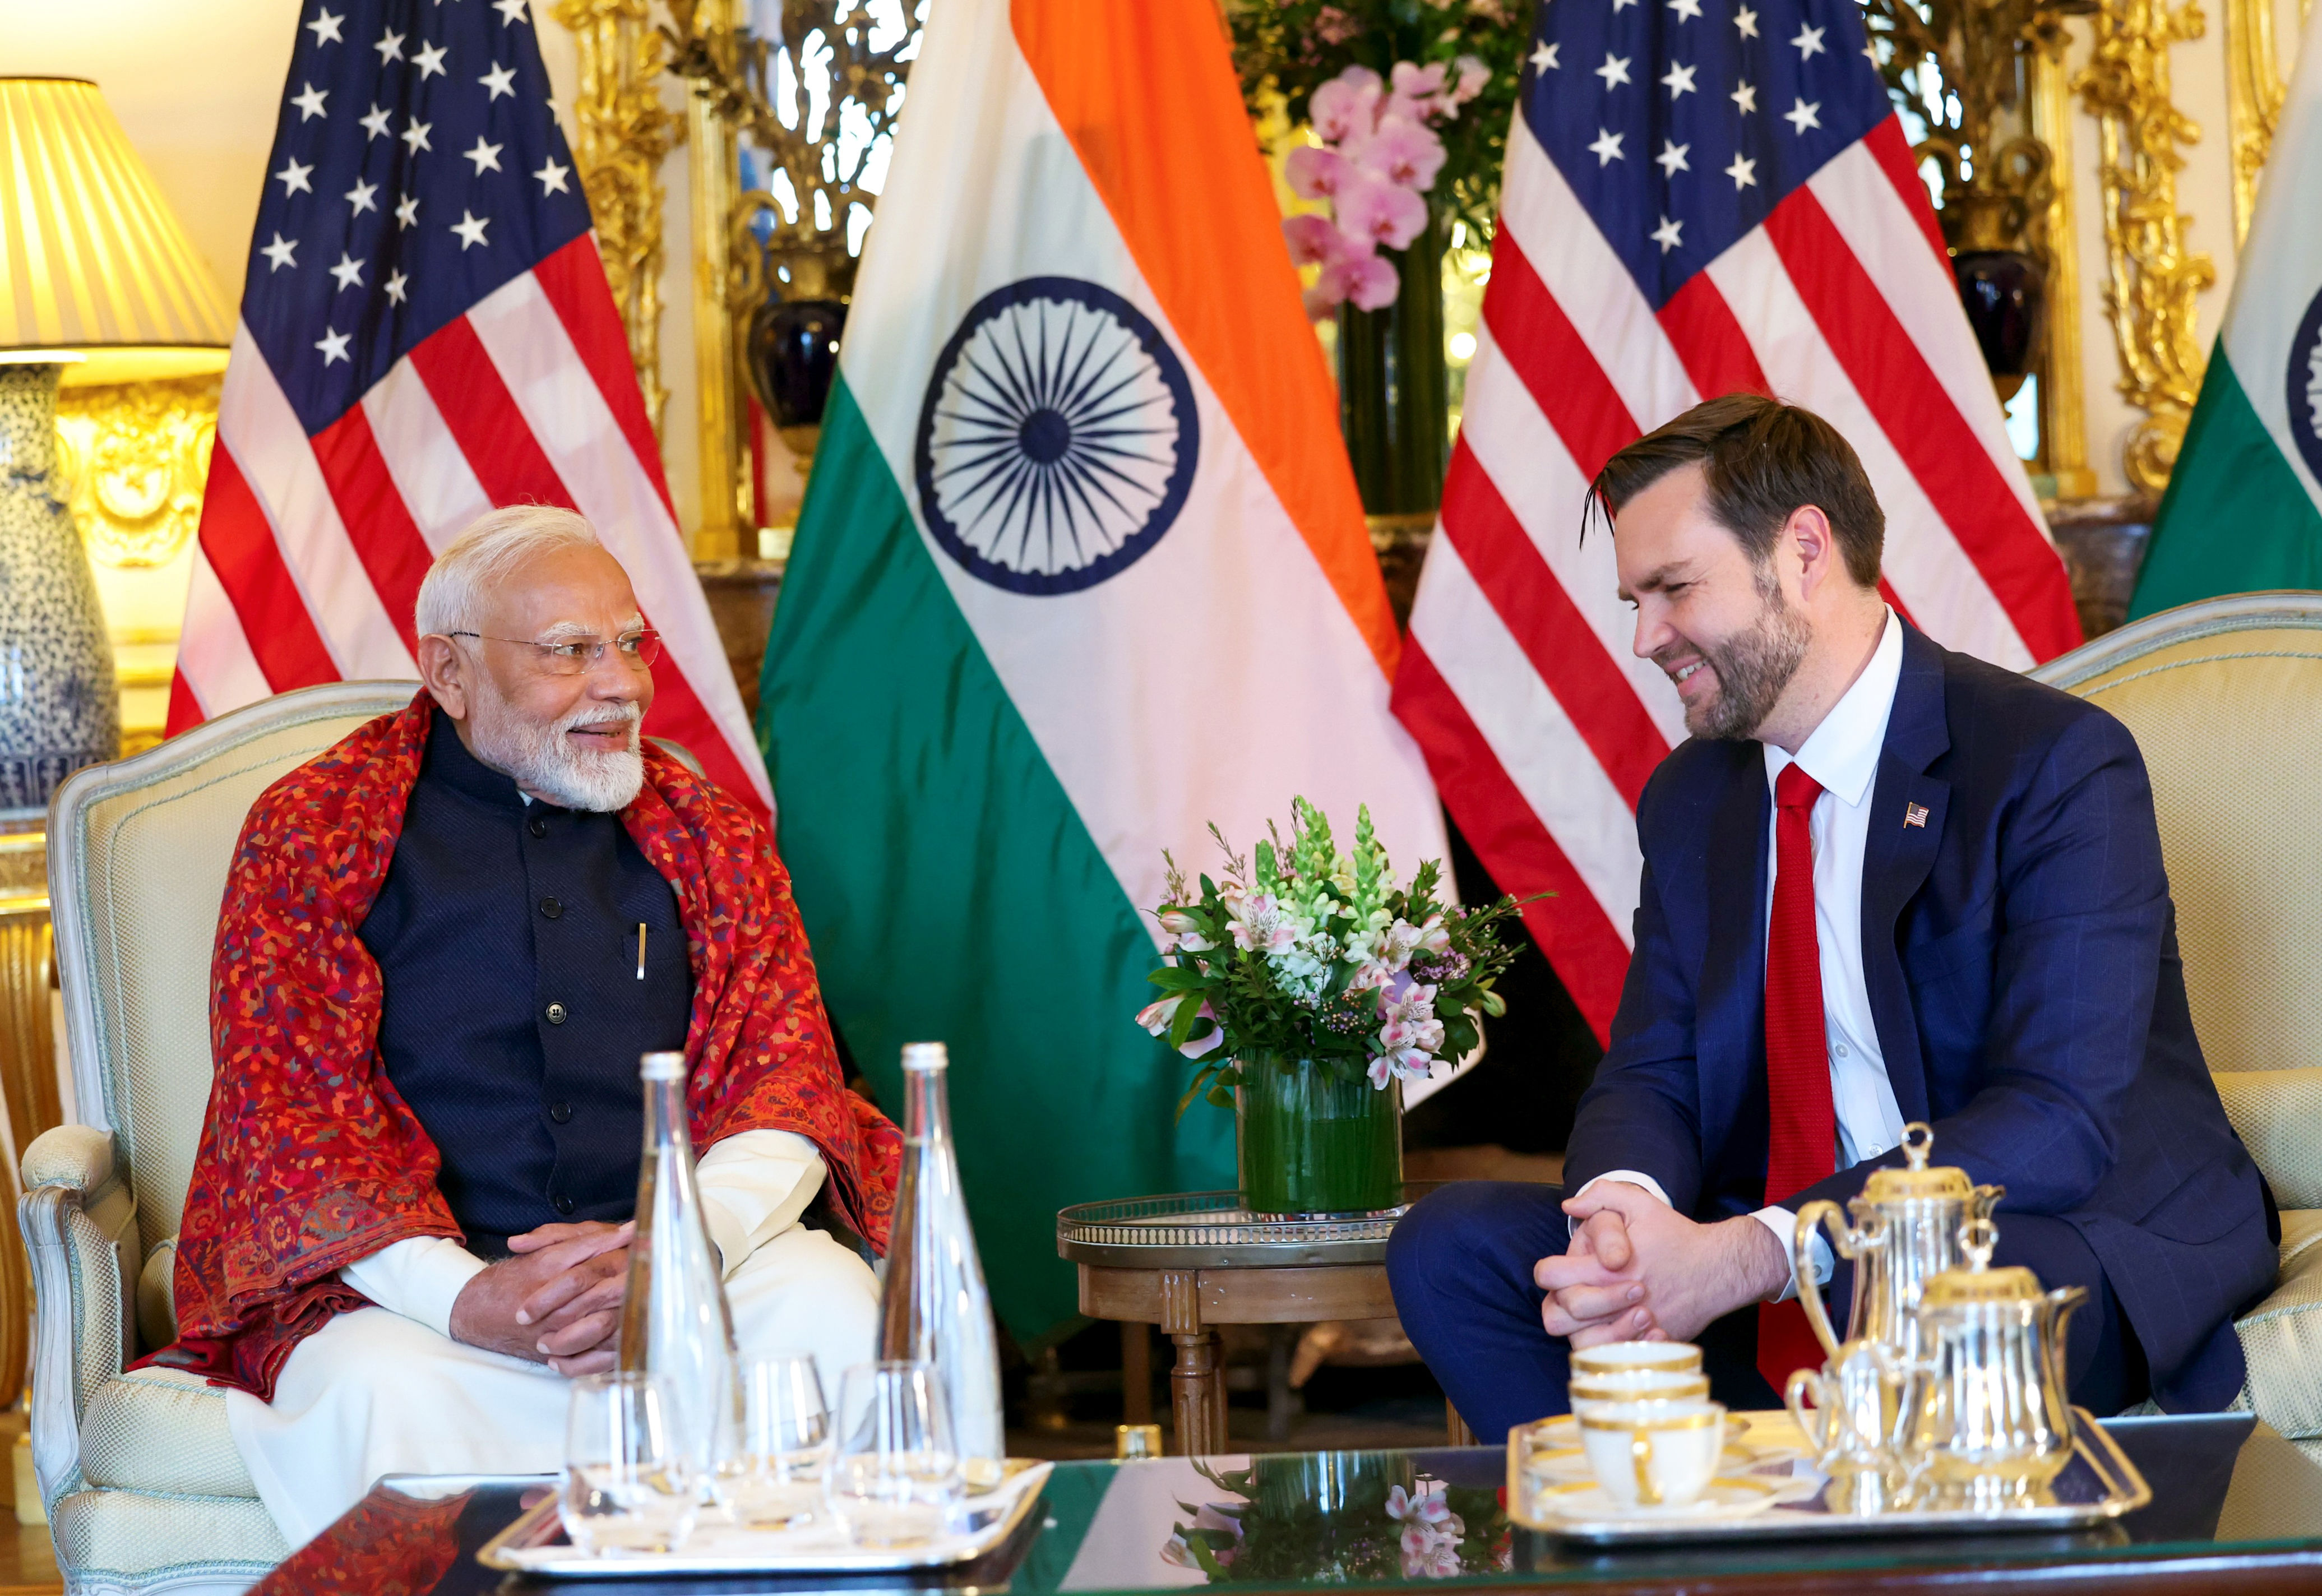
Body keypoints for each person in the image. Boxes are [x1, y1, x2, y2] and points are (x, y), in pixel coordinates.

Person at [1386, 395, 2277, 1442]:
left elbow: (2056, 1117)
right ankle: (1645, 1547)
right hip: (1783, 1255)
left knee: (1904, 1284)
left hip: (2044, 1236)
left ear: (1802, 550)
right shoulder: (1693, 799)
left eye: (1672, 590)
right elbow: (1653, 1070)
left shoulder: (2052, 763)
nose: (1643, 638)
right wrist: (1625, 1227)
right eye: (1634, 600)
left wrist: (1759, 1251)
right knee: (1451, 1247)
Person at [150, 506, 901, 1548]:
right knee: (376, 1388)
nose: (621, 683)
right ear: (449, 673)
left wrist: (681, 1255)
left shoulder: (710, 834)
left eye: (630, 644)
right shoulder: (312, 835)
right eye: (569, 652)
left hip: (693, 1267)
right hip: (424, 1304)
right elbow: (293, 1127)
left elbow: (786, 1081)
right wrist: (472, 1300)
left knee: (825, 1310)